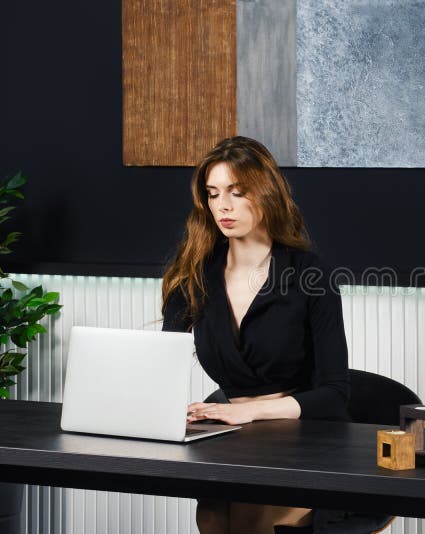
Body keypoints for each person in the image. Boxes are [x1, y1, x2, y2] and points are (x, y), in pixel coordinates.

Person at [160, 136, 351, 533]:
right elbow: (160, 363)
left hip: (303, 435)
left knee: (247, 513)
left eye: (236, 192)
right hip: (227, 433)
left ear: (266, 194)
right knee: (212, 515)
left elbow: (334, 394)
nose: (222, 206)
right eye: (213, 194)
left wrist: (248, 411)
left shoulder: (309, 273)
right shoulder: (195, 275)